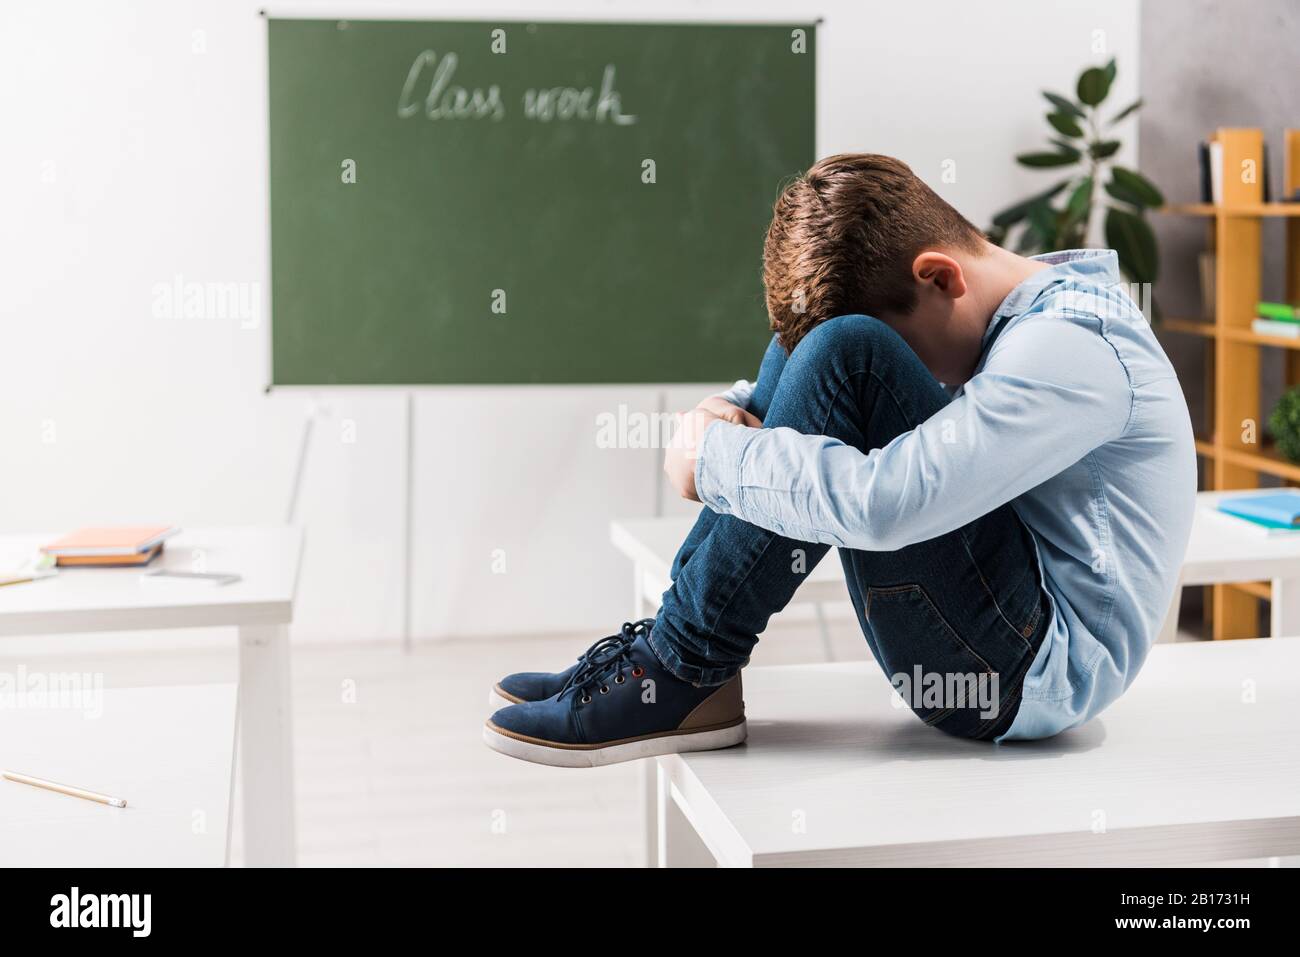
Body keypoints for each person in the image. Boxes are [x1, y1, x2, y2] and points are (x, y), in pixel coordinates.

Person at [483, 153, 1196, 767]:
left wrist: (719, 461)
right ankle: (685, 659)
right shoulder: (1011, 314)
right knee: (807, 339)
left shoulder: (1071, 349)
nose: (916, 371)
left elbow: (889, 505)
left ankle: (684, 665)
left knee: (849, 352)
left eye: (911, 347)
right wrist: (718, 421)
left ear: (941, 277)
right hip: (985, 621)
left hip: (1022, 674)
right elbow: (809, 388)